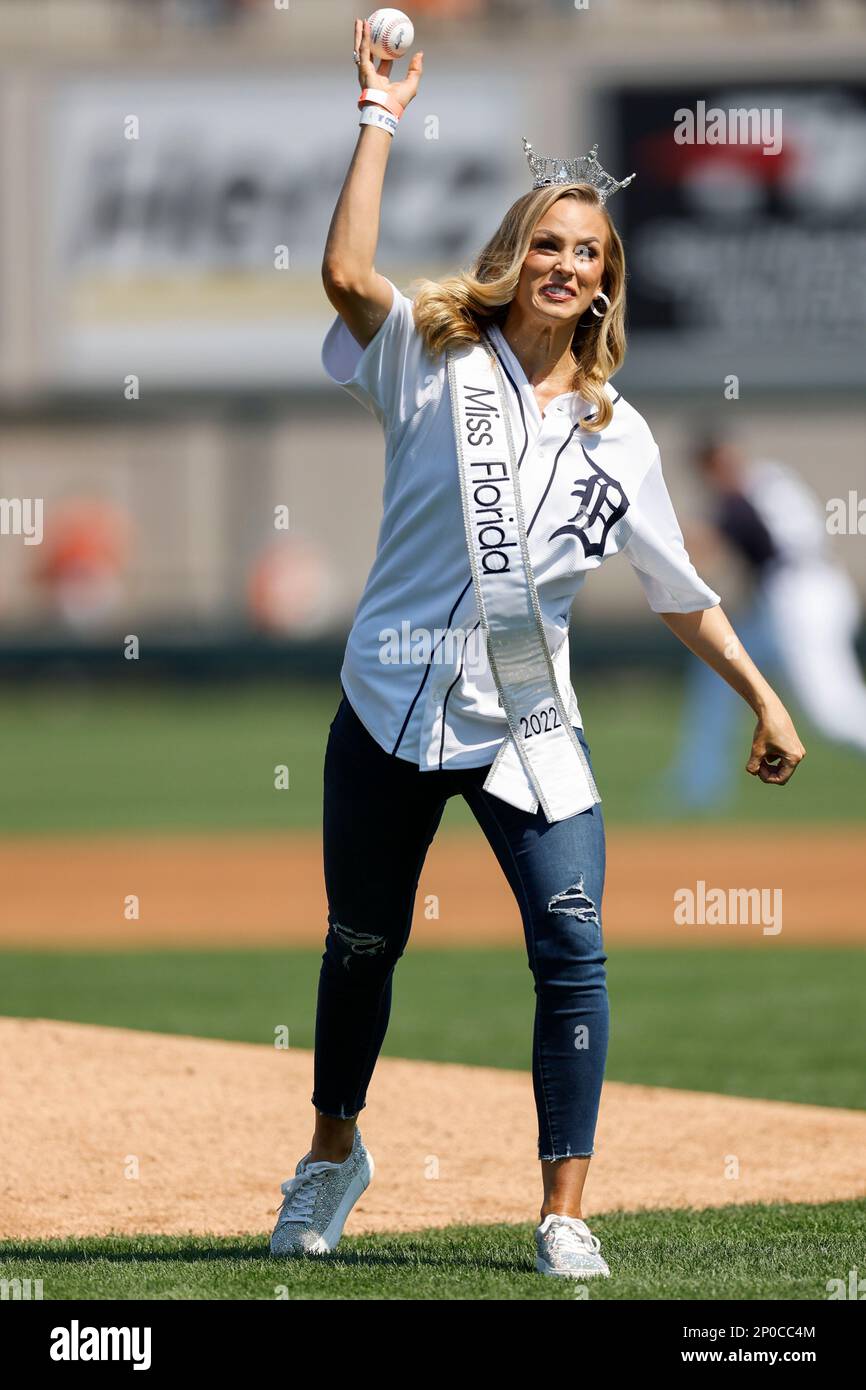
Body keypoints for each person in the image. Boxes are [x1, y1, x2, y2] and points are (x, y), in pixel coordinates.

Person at [269, 18, 806, 1279]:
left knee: (572, 944)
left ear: (606, 282)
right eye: (549, 244)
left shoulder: (621, 436)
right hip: (390, 702)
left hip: (526, 722)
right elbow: (348, 276)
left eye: (589, 253)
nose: (567, 265)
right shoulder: (429, 355)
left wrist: (762, 698)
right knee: (360, 942)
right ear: (514, 258)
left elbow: (680, 592)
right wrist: (377, 116)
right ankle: (333, 1150)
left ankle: (564, 1208)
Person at [661, 435, 866, 810]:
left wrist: (656, 540)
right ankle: (699, 784)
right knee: (717, 670)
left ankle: (699, 784)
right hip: (796, 595)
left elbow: (705, 550)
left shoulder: (742, 497)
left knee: (833, 712)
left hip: (799, 603)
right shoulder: (771, 480)